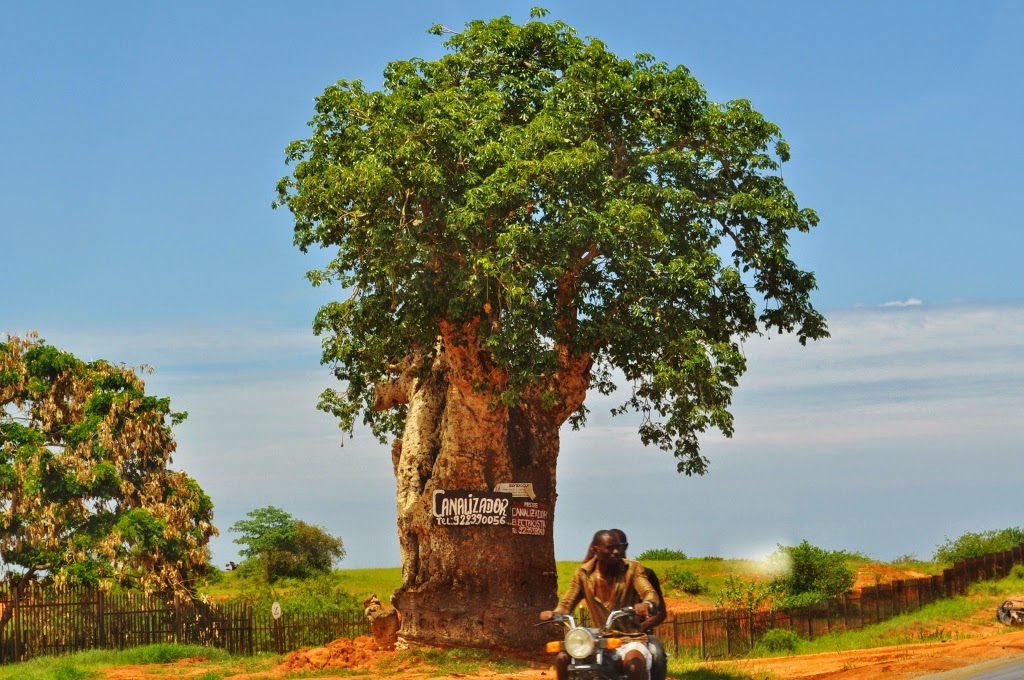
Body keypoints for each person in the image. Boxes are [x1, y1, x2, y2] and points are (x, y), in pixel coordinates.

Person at [540, 529, 661, 680]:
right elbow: (567, 603)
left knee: (633, 665)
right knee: (562, 658)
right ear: (595, 550)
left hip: (630, 639)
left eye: (617, 547)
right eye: (610, 548)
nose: (616, 552)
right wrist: (555, 614)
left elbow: (649, 593)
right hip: (596, 640)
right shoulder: (583, 574)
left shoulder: (632, 568)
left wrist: (646, 604)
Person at [609, 529, 667, 680]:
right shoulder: (599, 577)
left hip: (638, 636)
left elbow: (661, 612)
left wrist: (638, 628)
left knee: (658, 656)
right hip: (608, 637)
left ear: (625, 546)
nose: (613, 551)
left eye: (617, 546)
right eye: (608, 547)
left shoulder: (646, 574)